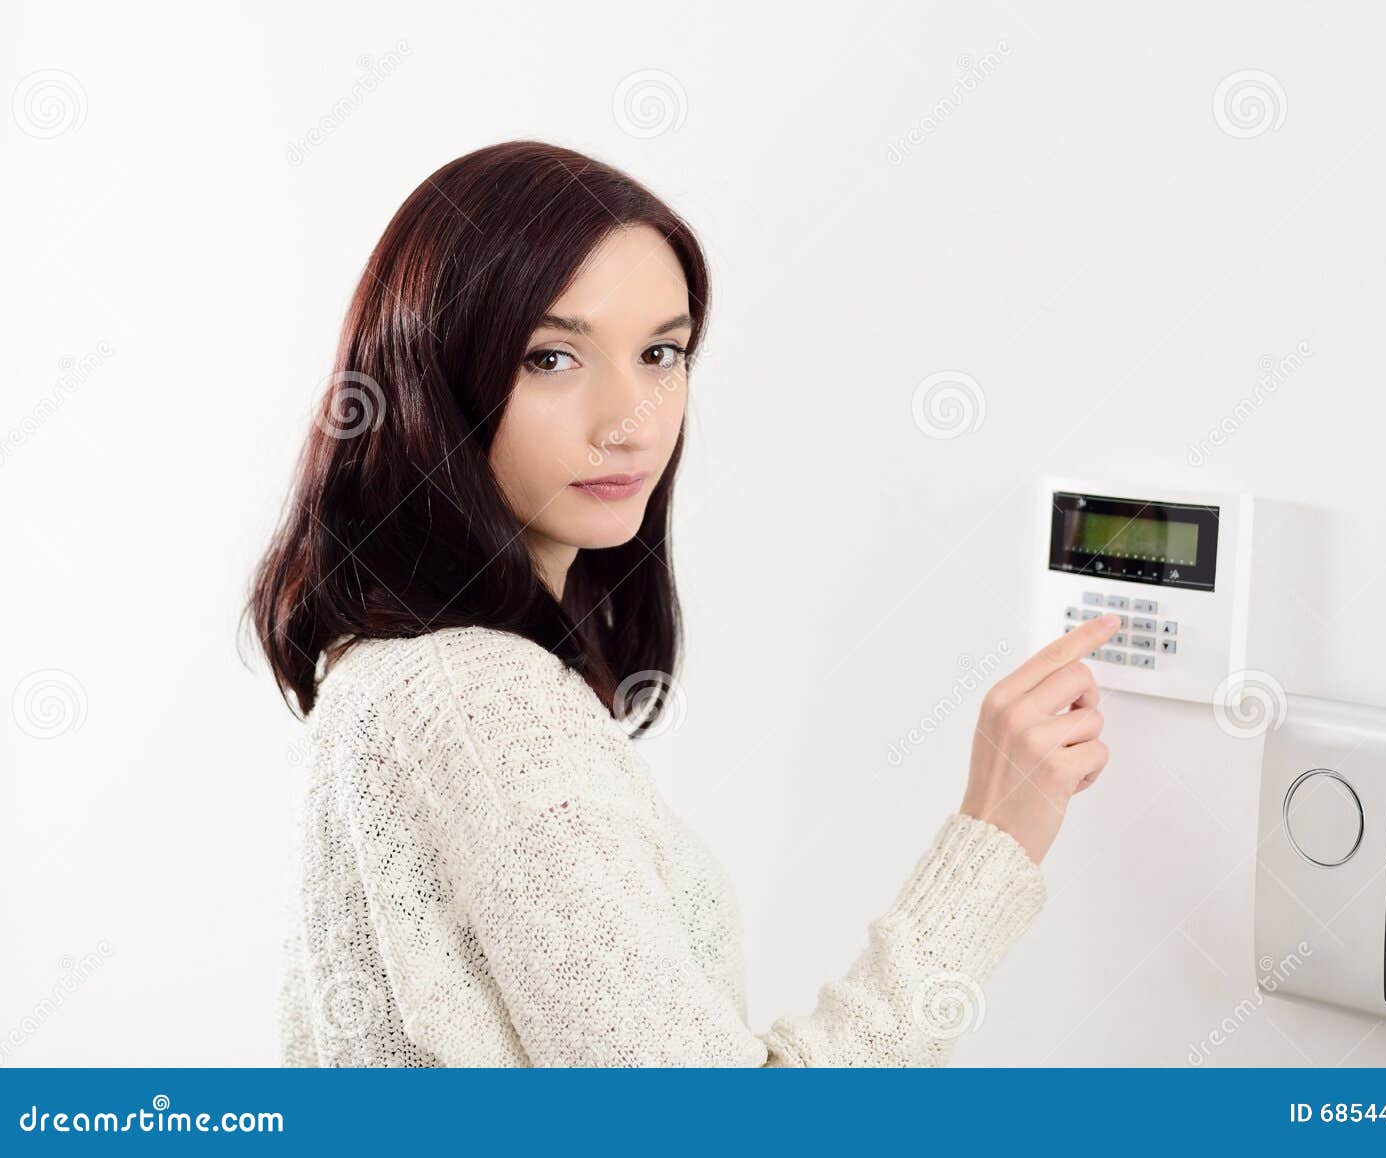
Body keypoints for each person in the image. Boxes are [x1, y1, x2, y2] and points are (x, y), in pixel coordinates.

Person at [245, 140, 1119, 1066]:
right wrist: (993, 838)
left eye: (661, 352)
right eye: (552, 357)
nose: (632, 417)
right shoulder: (480, 702)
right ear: (432, 373)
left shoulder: (391, 666)